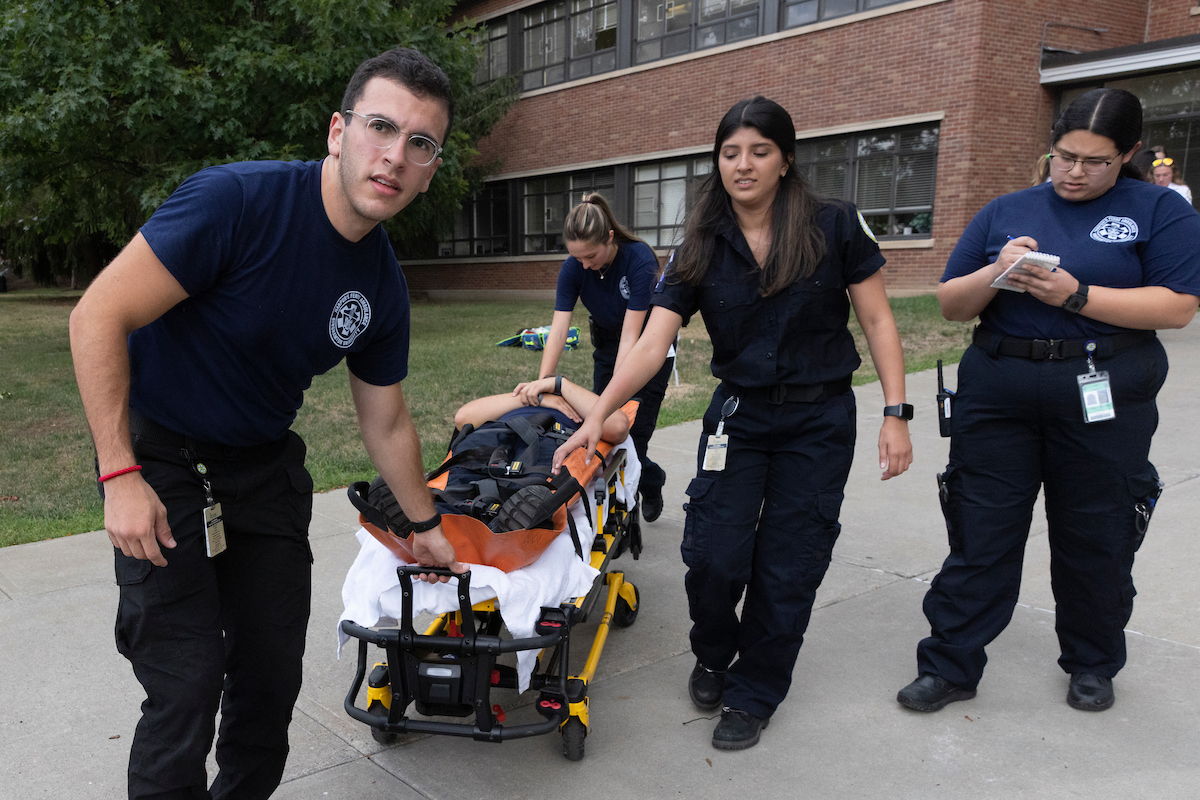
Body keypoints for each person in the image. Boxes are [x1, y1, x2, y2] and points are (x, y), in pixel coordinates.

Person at [68, 47, 466, 800]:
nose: (395, 155)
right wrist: (120, 475)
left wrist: (425, 522)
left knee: (271, 681)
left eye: (420, 143)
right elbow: (97, 316)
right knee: (185, 685)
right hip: (162, 459)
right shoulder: (238, 202)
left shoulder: (381, 283)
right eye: (381, 127)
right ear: (338, 131)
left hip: (261, 467)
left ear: (431, 167)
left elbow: (385, 420)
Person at [552, 96, 913, 750]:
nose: (742, 165)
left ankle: (756, 691)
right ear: (717, 161)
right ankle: (715, 653)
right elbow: (651, 342)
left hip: (818, 419)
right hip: (739, 417)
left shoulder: (834, 226)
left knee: (789, 564)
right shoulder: (699, 243)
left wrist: (896, 412)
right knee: (716, 558)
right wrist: (600, 412)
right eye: (729, 152)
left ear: (786, 159)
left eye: (759, 151)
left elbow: (880, 321)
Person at [896, 88, 1200, 716]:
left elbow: (1176, 306)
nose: (1075, 172)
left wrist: (1075, 294)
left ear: (1130, 154)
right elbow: (952, 305)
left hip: (1104, 389)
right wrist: (995, 272)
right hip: (1000, 386)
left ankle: (1092, 663)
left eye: (1095, 161)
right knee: (981, 530)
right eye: (1063, 157)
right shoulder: (1007, 208)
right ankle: (950, 663)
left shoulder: (1159, 209)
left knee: (1097, 530)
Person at [535, 194, 674, 522]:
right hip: (607, 350)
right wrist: (543, 386)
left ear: (609, 237)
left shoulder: (638, 260)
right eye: (576, 257)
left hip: (647, 351)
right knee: (606, 433)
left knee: (631, 435)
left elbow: (632, 337)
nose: (583, 264)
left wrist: (611, 399)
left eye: (590, 256)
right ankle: (643, 484)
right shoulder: (575, 267)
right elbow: (558, 330)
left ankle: (637, 501)